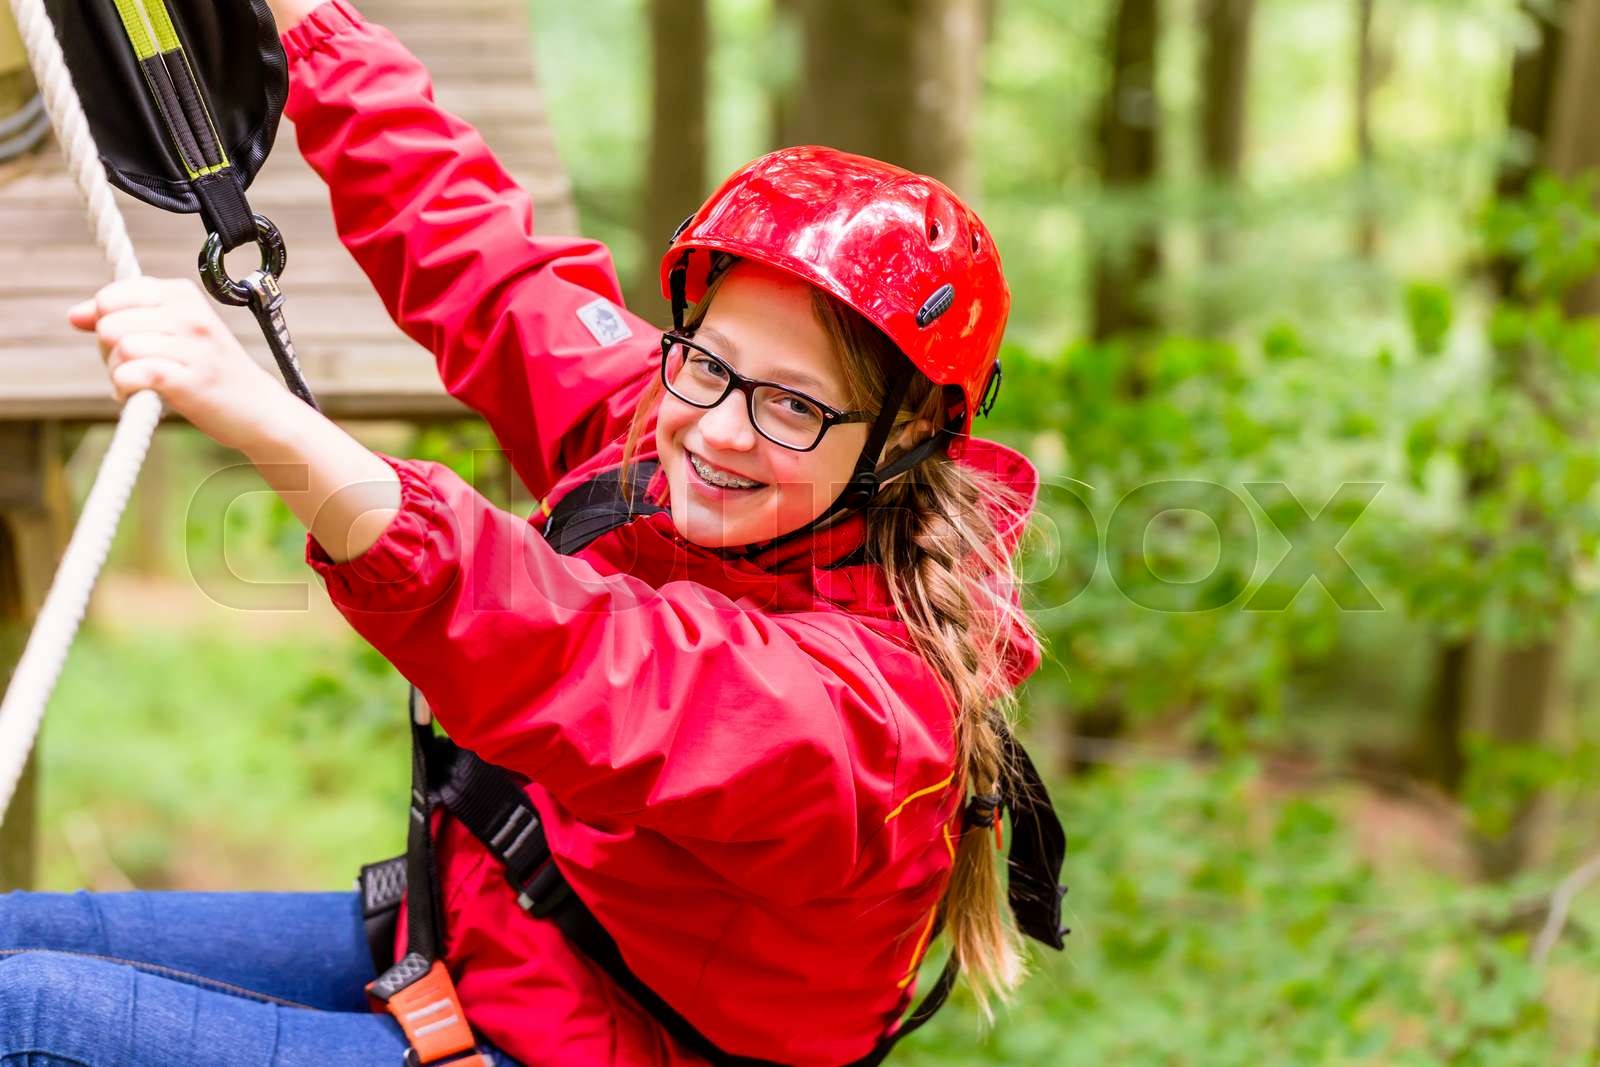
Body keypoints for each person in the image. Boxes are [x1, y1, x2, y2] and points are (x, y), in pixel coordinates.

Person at [0, 2, 1063, 1064]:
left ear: (906, 432)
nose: (721, 429)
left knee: (31, 1018)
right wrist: (312, 27)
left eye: (795, 405)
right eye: (708, 359)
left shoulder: (871, 719)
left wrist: (258, 412)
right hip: (482, 947)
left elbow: (588, 657)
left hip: (576, 1041)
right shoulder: (668, 431)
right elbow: (491, 272)